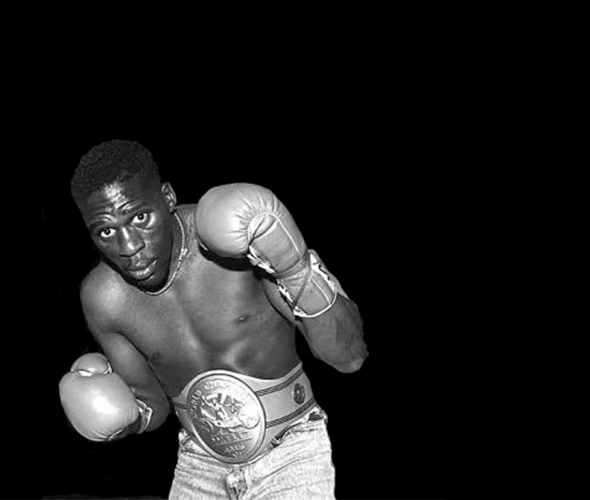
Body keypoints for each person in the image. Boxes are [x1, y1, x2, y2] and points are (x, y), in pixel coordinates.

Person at [59, 139, 367, 499]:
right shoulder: (103, 299)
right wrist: (125, 418)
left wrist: (296, 269)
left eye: (140, 217)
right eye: (106, 231)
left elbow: (348, 357)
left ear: (168, 197)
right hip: (197, 464)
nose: (129, 247)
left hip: (291, 451)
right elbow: (153, 405)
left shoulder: (237, 247)